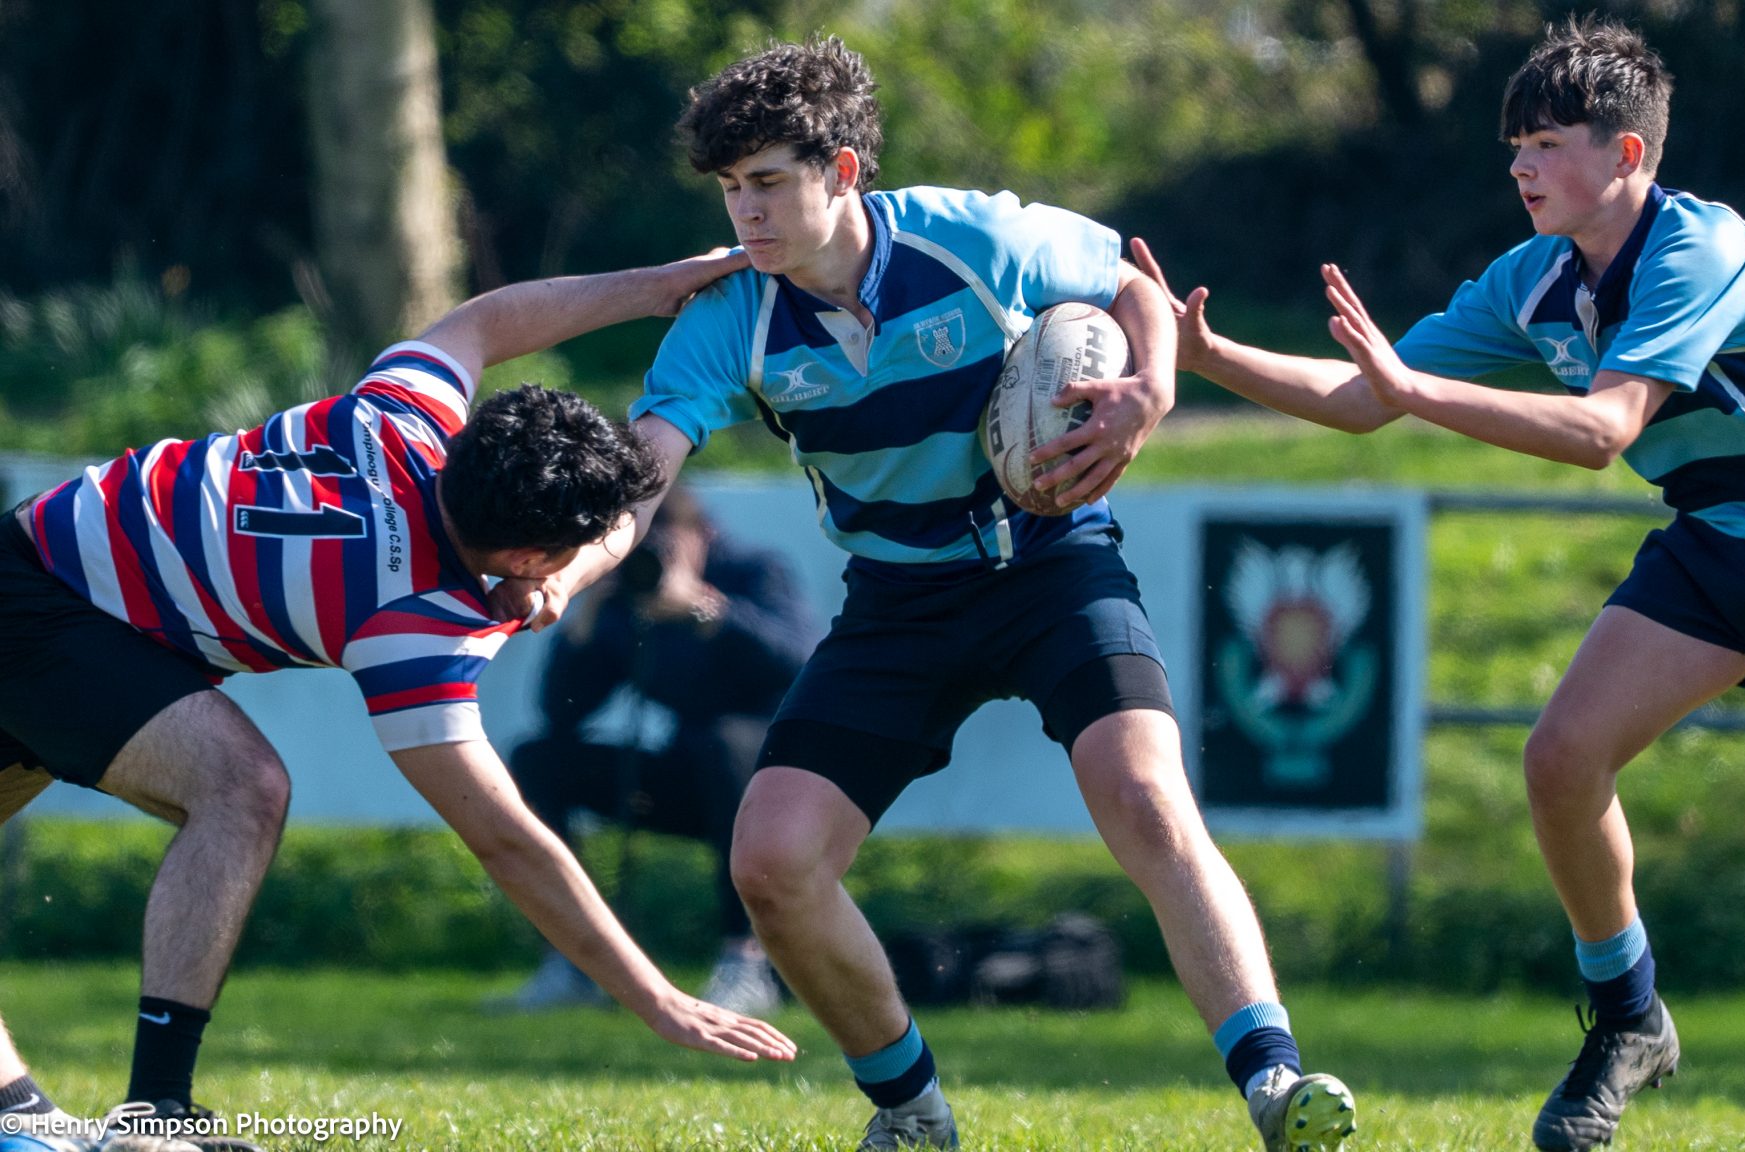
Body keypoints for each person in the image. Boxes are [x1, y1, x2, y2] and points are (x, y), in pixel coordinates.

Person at [516, 35, 1357, 1152]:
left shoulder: (975, 237)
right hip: (898, 601)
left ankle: (1270, 1082)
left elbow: (1130, 288)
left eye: (768, 182)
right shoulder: (734, 318)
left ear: (845, 170)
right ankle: (912, 1111)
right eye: (729, 190)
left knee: (1146, 798)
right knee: (770, 862)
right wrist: (573, 567)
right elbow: (647, 464)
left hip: (1047, 560)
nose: (746, 216)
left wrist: (1148, 392)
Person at [1134, 16, 1745, 1152]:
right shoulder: (1531, 280)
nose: (1519, 165)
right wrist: (1209, 356)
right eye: (1513, 144)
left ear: (1626, 156)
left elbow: (1599, 430)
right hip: (1726, 532)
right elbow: (1367, 394)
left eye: (1547, 142)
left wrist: (1415, 393)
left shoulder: (1697, 254)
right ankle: (1627, 1018)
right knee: (1558, 761)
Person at [0, 251, 797, 1152]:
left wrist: (654, 287)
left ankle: (15, 1118)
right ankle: (157, 1116)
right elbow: (508, 840)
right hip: (45, 608)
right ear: (535, 557)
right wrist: (655, 998)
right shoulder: (415, 627)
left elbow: (484, 324)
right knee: (241, 788)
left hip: (54, 574)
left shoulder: (403, 420)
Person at [496, 484, 813, 1017]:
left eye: (664, 542)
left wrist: (705, 609)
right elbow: (562, 711)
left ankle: (748, 962)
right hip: (687, 779)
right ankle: (574, 961)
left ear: (703, 535)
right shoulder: (627, 599)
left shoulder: (753, 571)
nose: (652, 557)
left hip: (771, 784)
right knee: (538, 758)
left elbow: (800, 662)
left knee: (722, 743)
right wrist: (588, 614)